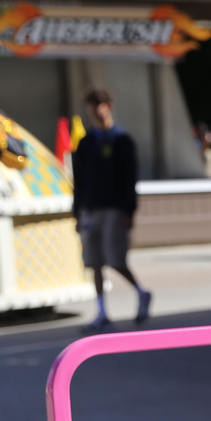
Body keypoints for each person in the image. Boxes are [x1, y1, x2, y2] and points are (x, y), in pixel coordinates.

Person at [73, 87, 149, 328]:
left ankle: (141, 292)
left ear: (109, 106)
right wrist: (77, 212)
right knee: (94, 262)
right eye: (92, 105)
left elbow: (130, 178)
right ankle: (102, 312)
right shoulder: (86, 142)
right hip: (90, 209)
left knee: (116, 260)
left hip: (114, 209)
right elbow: (79, 180)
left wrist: (129, 211)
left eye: (100, 104)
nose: (96, 110)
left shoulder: (122, 140)